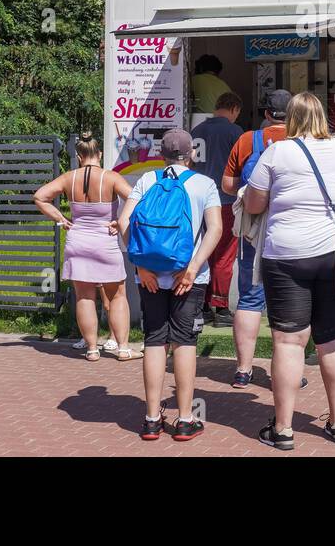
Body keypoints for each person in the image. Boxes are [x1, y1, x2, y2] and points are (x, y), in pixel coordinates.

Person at [244, 91, 335, 450]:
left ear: (290, 118)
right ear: (323, 117)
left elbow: (254, 201)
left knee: (289, 341)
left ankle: (283, 428)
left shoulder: (278, 151)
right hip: (334, 252)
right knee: (334, 338)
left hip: (287, 254)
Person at [114, 128, 223, 441]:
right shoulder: (205, 184)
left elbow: (124, 223)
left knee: (154, 339)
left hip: (149, 277)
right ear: (191, 154)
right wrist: (192, 268)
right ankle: (186, 419)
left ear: (161, 154)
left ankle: (151, 419)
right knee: (185, 341)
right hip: (188, 278)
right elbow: (214, 229)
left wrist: (141, 266)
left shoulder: (147, 180)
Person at [33, 133, 138, 362]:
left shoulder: (68, 178)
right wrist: (120, 221)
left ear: (80, 156)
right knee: (118, 295)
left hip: (77, 242)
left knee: (84, 297)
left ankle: (91, 349)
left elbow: (40, 197)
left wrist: (60, 218)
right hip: (105, 243)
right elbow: (136, 197)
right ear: (99, 154)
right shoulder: (111, 177)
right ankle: (122, 348)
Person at [219, 88, 291, 388]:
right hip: (291, 231)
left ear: (266, 114)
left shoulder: (248, 139)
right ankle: (286, 371)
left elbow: (227, 184)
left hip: (253, 230)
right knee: (288, 304)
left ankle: (244, 370)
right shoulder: (303, 142)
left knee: (250, 299)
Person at [191, 91, 243, 327]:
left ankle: (201, 304)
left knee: (202, 250)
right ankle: (221, 308)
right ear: (234, 110)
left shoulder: (196, 131)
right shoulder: (235, 132)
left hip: (197, 200)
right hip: (224, 201)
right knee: (224, 254)